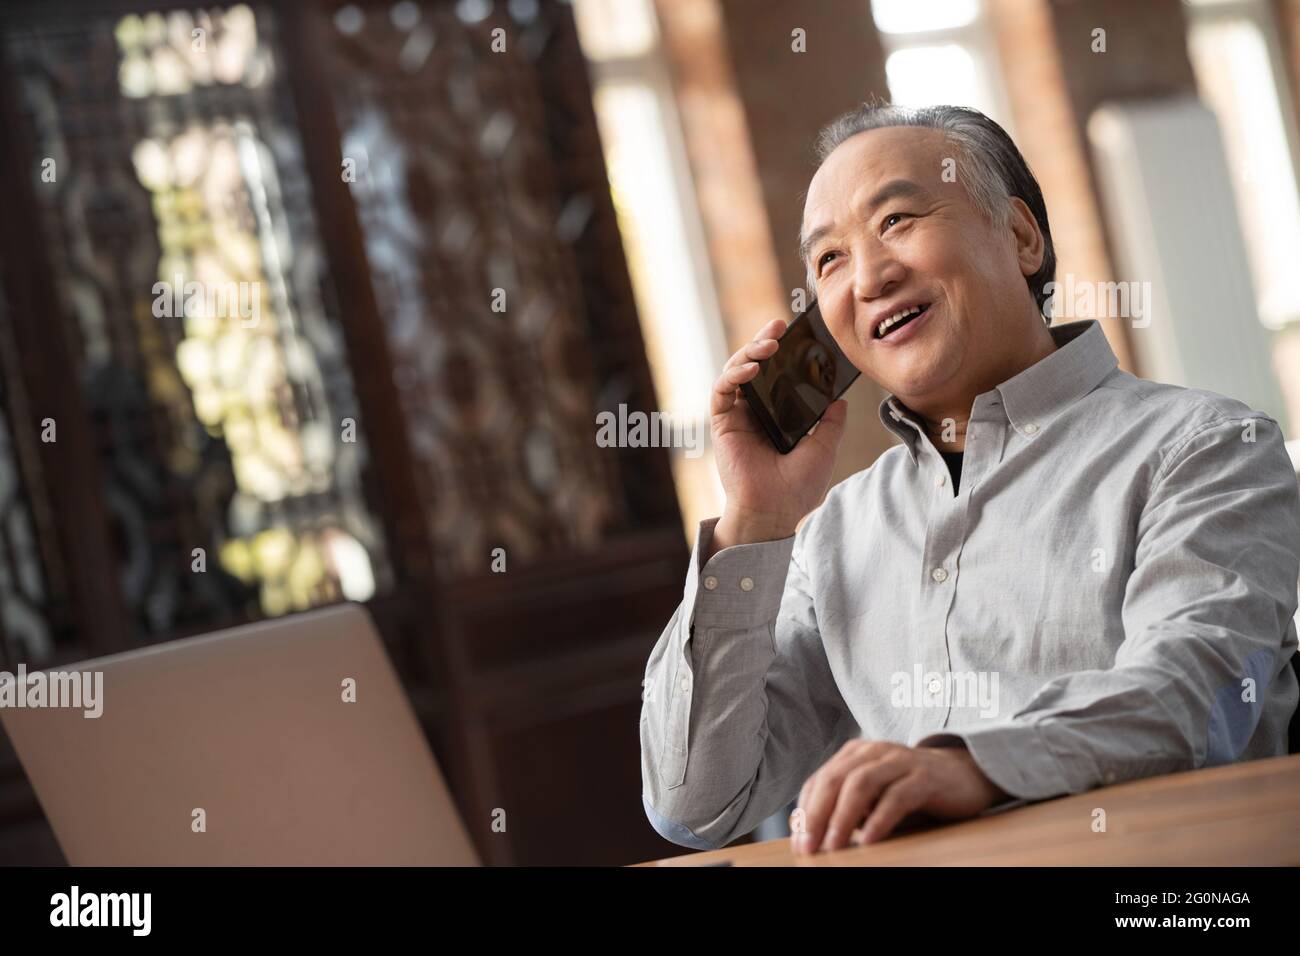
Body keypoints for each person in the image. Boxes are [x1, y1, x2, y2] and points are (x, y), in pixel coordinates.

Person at [639, 103, 1300, 855]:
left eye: (896, 221)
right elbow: (694, 804)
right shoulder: (835, 533)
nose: (869, 276)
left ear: (1020, 236)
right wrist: (753, 520)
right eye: (828, 260)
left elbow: (1197, 693)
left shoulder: (1208, 450)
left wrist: (972, 766)